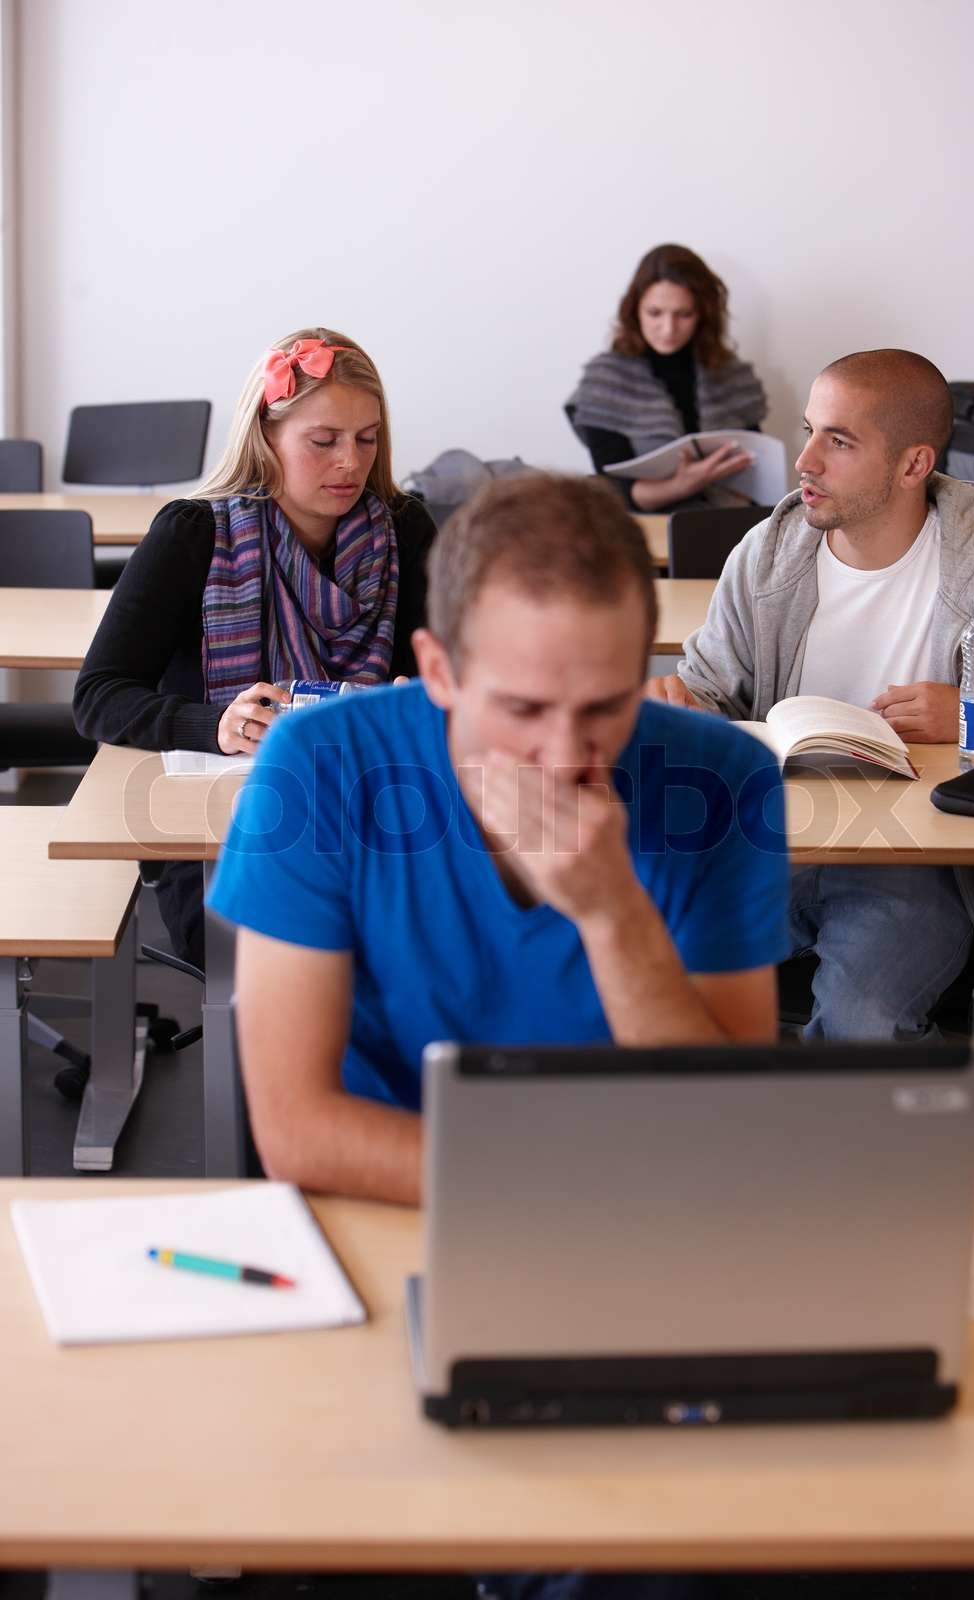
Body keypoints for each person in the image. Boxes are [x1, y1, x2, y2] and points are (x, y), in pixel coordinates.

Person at [206, 473, 791, 1206]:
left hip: (650, 1215)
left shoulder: (726, 776)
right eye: (522, 708)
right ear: (440, 671)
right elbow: (298, 1131)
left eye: (606, 706)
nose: (564, 752)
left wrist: (613, 914)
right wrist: (567, 1192)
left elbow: (723, 1126)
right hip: (405, 1203)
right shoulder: (317, 762)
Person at [648, 347, 974, 1038]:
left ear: (912, 465)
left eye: (837, 441)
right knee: (638, 974)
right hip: (769, 843)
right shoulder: (766, 551)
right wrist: (683, 705)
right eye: (809, 429)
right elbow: (710, 686)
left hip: (914, 865)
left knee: (859, 1024)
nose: (804, 461)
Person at [74, 327, 436, 972]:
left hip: (374, 806)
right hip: (225, 824)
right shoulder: (194, 532)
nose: (350, 463)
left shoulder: (404, 527)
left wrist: (427, 696)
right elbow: (99, 696)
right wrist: (216, 723)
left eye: (367, 439)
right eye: (322, 442)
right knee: (300, 950)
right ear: (266, 438)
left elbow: (454, 676)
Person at [565, 243, 767, 514]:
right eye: (655, 313)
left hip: (732, 526)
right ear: (635, 309)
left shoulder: (732, 376)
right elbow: (613, 490)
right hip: (649, 533)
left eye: (684, 314)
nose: (668, 329)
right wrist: (684, 484)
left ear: (703, 314)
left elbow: (756, 471)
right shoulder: (606, 381)